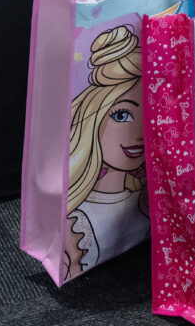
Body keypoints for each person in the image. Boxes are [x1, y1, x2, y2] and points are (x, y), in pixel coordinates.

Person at [63, 25, 147, 278]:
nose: (139, 131)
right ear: (92, 121)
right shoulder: (75, 225)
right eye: (122, 115)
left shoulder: (145, 198)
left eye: (149, 110)